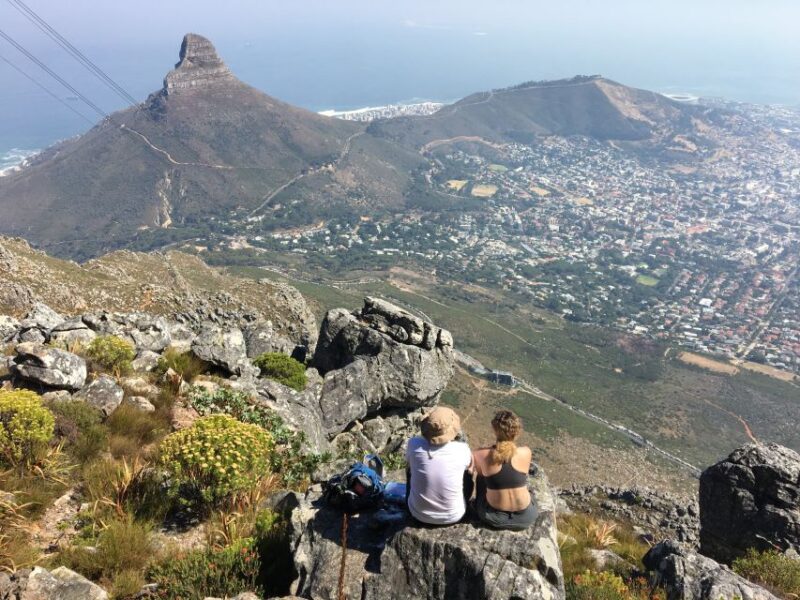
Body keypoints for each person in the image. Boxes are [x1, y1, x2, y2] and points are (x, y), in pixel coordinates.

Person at [405, 406, 473, 525]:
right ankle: (463, 502)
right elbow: (470, 469)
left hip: (417, 512)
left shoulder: (414, 444)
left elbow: (410, 467)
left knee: (410, 469)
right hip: (454, 515)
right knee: (467, 472)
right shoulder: (462, 449)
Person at [472, 410, 537, 531]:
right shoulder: (526, 452)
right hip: (526, 517)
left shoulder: (481, 454)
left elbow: (480, 477)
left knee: (482, 477)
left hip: (493, 517)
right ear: (517, 431)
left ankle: (479, 504)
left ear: (495, 430)